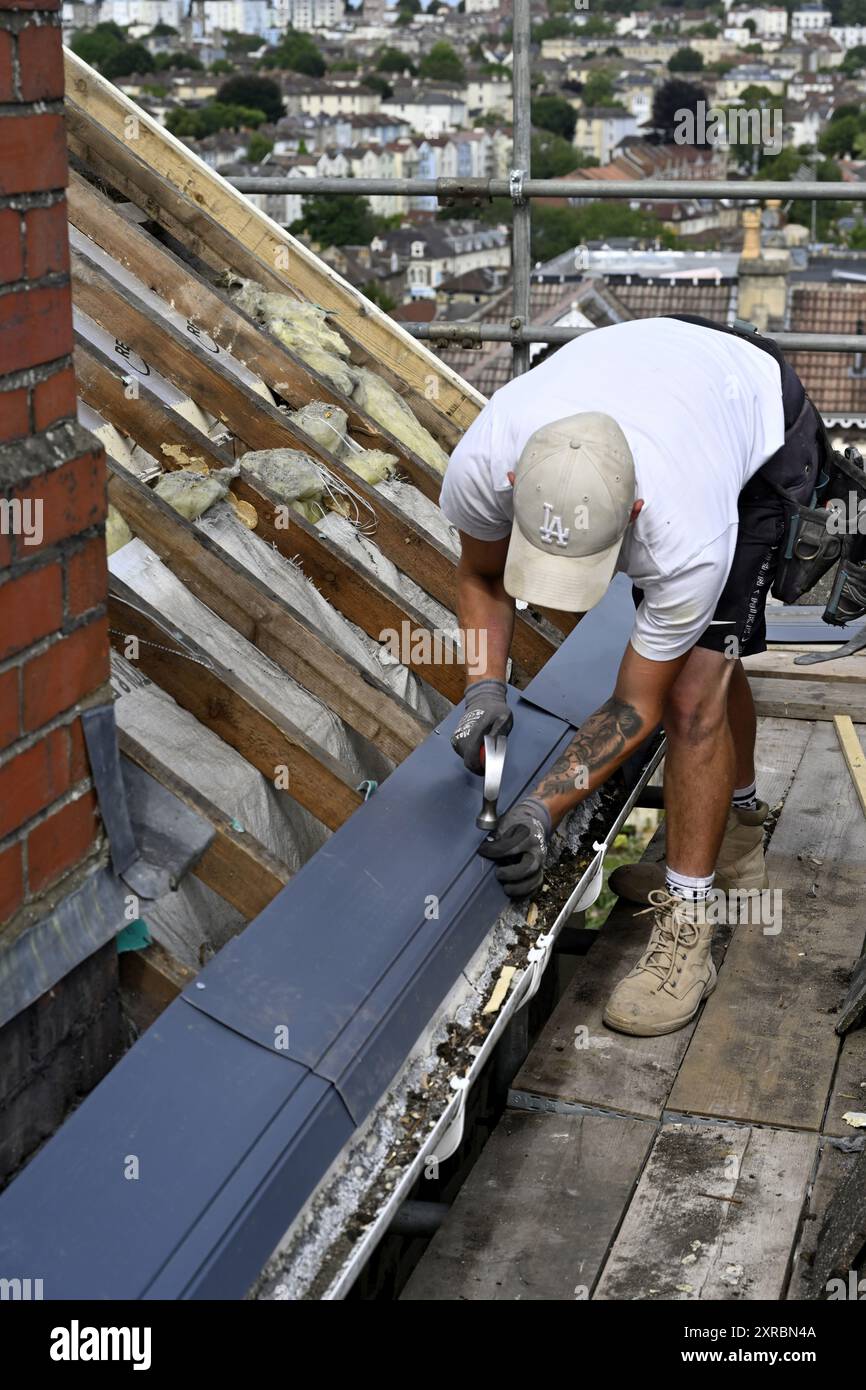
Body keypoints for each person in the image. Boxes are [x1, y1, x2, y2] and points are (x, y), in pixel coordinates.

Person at [440, 315, 824, 1038]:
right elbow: (482, 574)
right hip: (669, 374)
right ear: (514, 485)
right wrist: (483, 684)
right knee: (705, 665)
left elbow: (635, 705)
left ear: (634, 512)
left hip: (760, 417)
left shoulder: (687, 533)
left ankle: (689, 923)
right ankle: (734, 842)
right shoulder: (482, 462)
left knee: (693, 695)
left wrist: (541, 809)